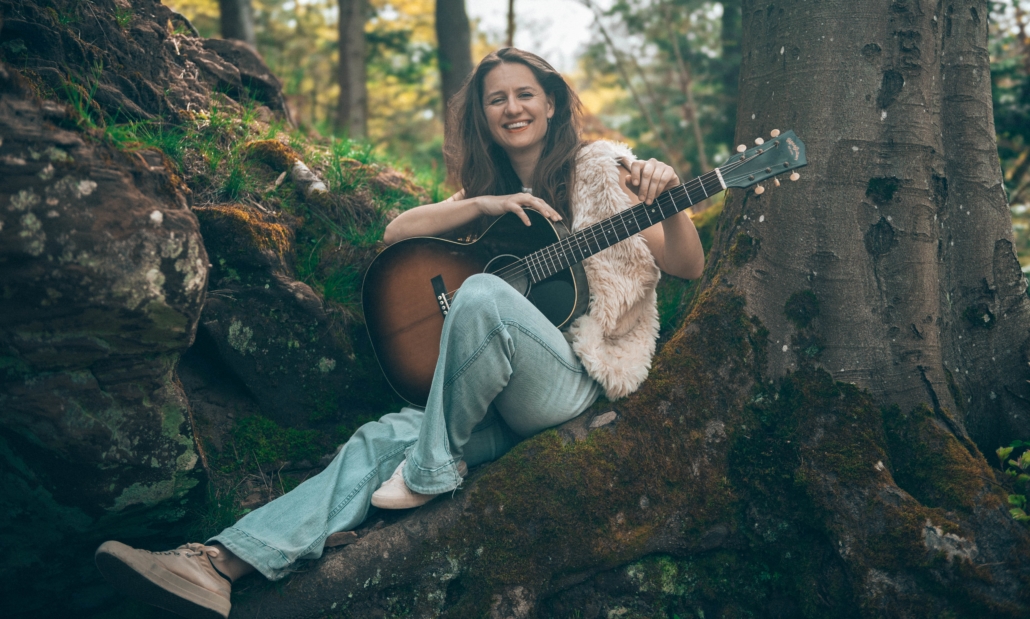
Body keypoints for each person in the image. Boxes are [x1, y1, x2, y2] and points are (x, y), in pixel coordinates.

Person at [94, 48, 705, 619]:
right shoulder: (491, 192)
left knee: (484, 293)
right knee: (376, 438)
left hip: (568, 383)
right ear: (483, 116)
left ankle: (429, 471)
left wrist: (672, 198)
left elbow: (688, 265)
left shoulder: (601, 171)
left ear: (551, 103)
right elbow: (398, 230)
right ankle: (219, 563)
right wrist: (482, 206)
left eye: (525, 94)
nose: (513, 108)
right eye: (497, 99)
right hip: (491, 404)